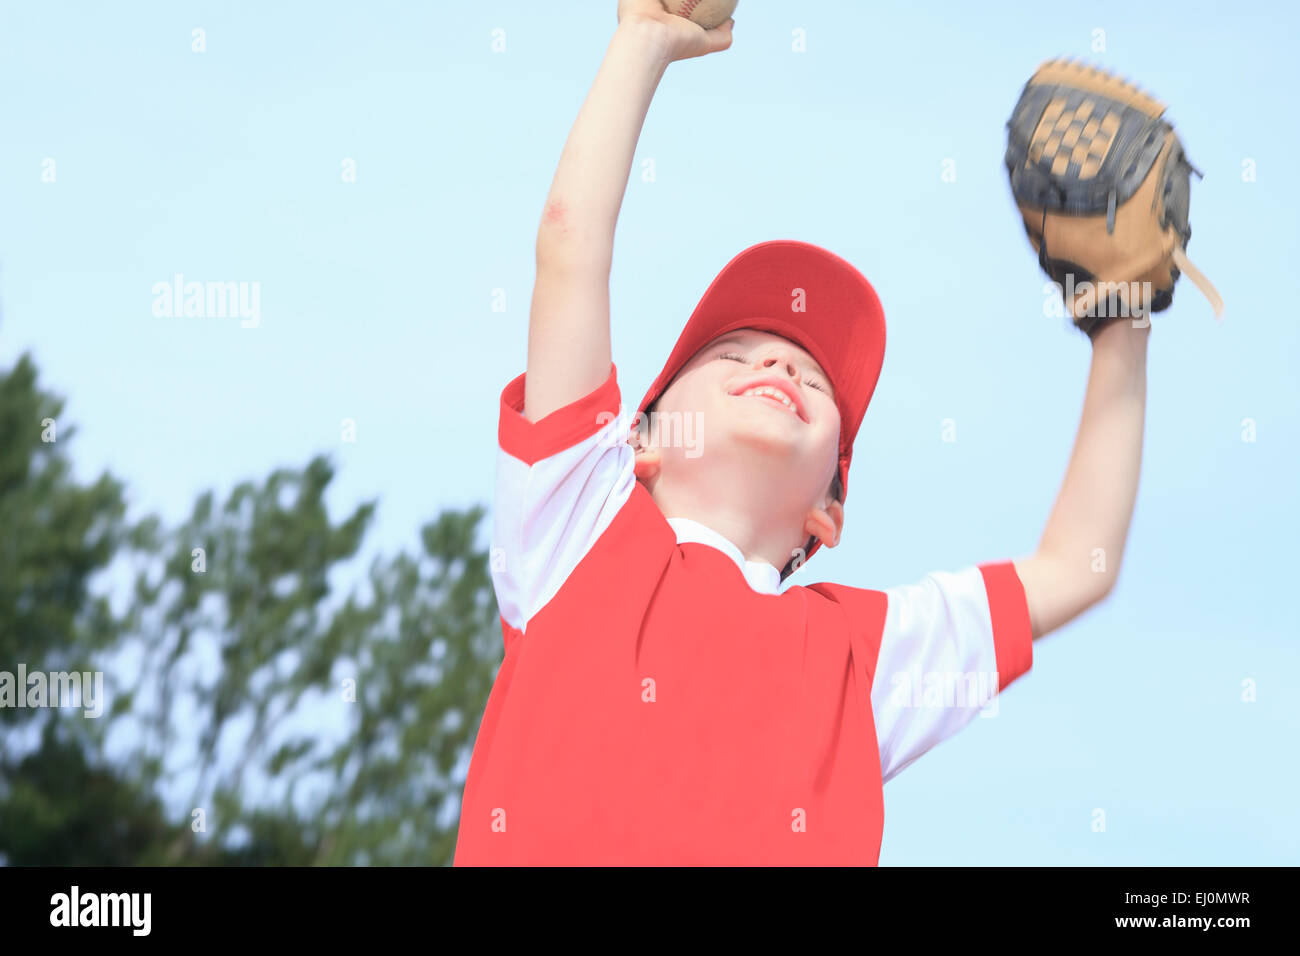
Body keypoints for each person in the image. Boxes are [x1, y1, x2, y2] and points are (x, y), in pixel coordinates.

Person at [454, 1, 1149, 865]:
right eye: (736, 353)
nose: (781, 369)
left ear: (829, 511)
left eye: (815, 379)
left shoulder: (859, 656)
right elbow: (568, 247)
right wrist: (642, 41)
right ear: (640, 442)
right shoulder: (578, 530)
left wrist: (1121, 327)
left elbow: (1077, 568)